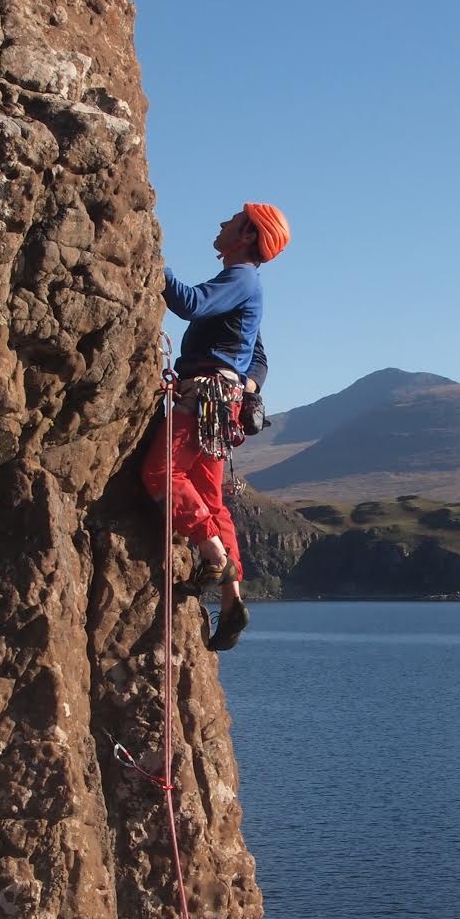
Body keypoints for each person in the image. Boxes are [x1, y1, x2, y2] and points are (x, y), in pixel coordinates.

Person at [141, 203, 290, 651]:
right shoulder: (245, 284)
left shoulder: (241, 278)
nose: (223, 223)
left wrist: (150, 261)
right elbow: (258, 355)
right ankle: (231, 600)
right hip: (221, 404)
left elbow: (191, 304)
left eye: (232, 220)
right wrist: (245, 384)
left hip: (205, 398)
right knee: (210, 499)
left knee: (161, 473)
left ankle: (213, 555)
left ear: (246, 235)